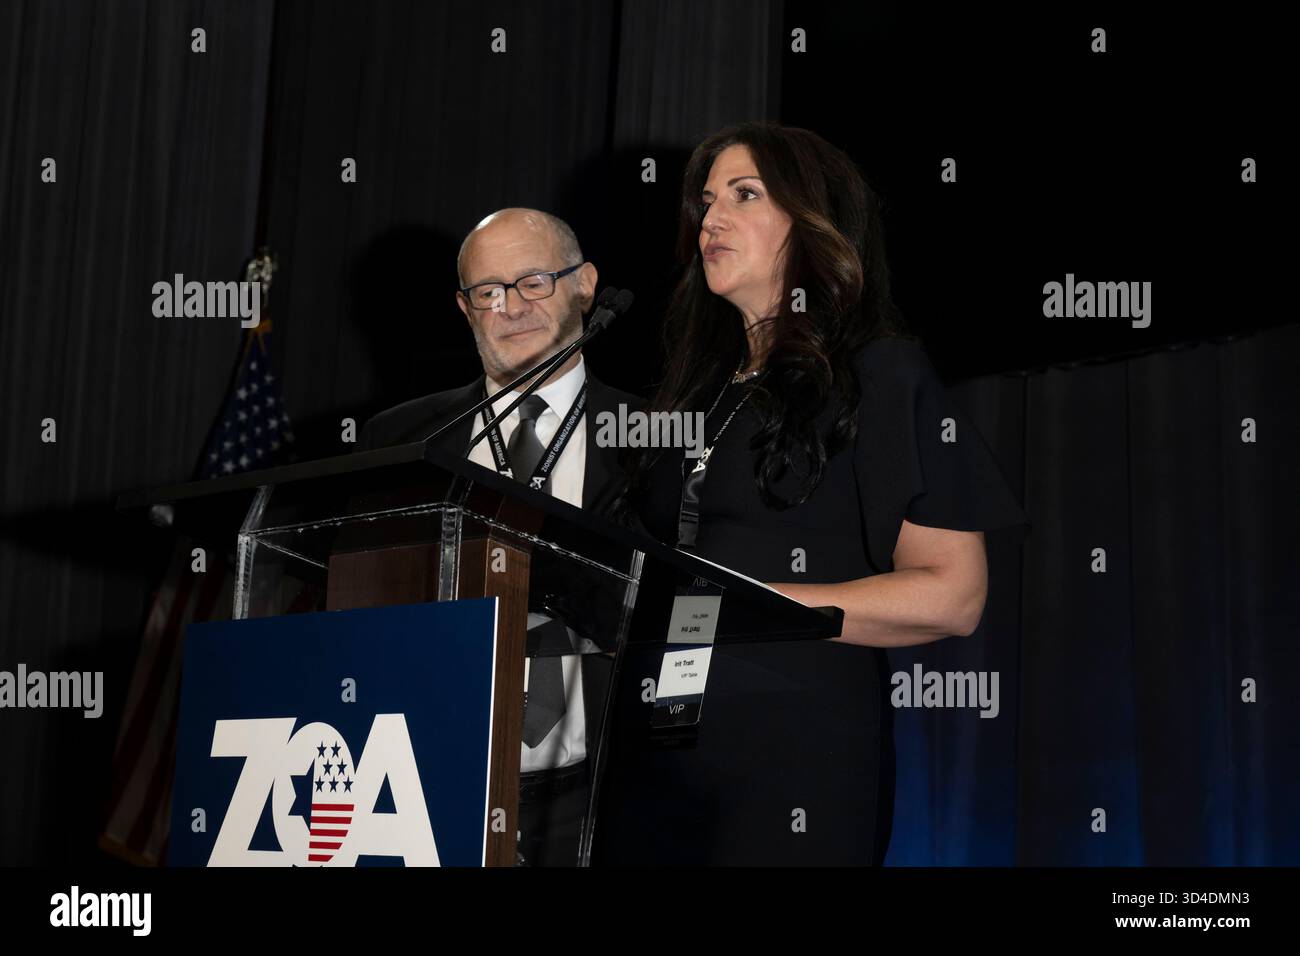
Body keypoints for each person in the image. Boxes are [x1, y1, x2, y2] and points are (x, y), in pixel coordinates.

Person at [609, 123, 1029, 865]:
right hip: (665, 741)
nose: (710, 220)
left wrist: (753, 609)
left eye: (744, 195)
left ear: (812, 218)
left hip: (794, 743)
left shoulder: (879, 371)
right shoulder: (701, 393)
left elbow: (953, 596)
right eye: (705, 202)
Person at [359, 207, 643, 865]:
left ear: (585, 283)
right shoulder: (399, 439)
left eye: (535, 282)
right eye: (489, 292)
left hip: (605, 792)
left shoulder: (657, 437)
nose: (512, 307)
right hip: (433, 777)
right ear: (465, 308)